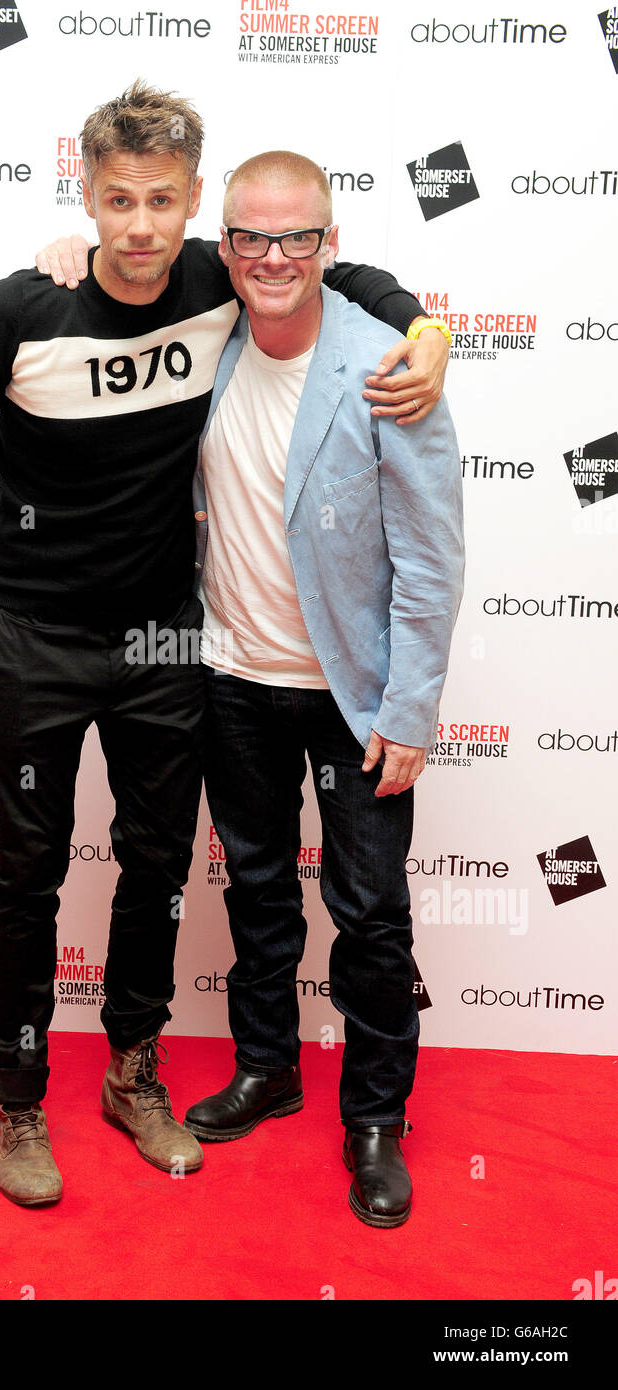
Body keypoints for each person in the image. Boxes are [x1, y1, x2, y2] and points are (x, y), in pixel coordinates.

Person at [0, 80, 450, 1208]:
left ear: (194, 203)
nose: (140, 226)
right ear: (87, 196)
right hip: (38, 640)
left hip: (164, 644)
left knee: (155, 869)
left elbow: (341, 273)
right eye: (117, 201)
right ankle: (18, 1100)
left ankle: (133, 1072)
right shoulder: (22, 308)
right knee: (30, 875)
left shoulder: (224, 278)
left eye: (161, 201)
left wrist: (430, 329)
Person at [178, 151, 464, 1228]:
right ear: (223, 245)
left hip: (357, 700)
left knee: (370, 917)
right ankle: (268, 1068)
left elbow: (430, 559)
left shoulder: (386, 363)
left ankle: (376, 1120)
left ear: (328, 243)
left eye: (295, 236)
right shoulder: (205, 342)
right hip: (232, 681)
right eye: (250, 236)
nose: (272, 257)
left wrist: (410, 710)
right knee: (256, 892)